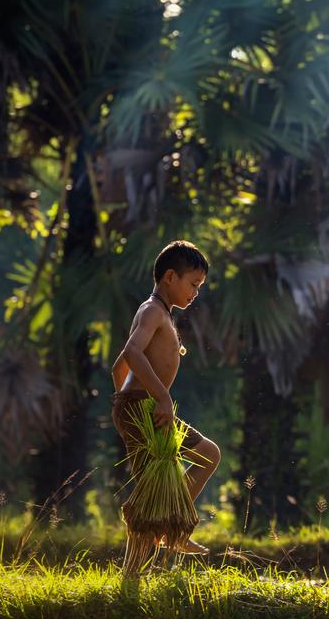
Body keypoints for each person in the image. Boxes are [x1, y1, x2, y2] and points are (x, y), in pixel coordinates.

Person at [110, 240, 220, 569]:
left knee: (207, 455)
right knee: (151, 496)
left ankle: (174, 519)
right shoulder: (152, 311)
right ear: (170, 277)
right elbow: (131, 353)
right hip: (144, 408)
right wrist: (156, 399)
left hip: (142, 409)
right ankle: (133, 576)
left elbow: (118, 368)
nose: (196, 293)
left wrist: (125, 405)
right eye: (193, 284)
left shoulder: (161, 314)